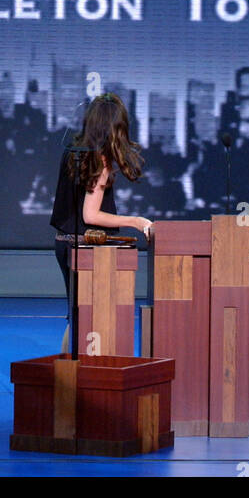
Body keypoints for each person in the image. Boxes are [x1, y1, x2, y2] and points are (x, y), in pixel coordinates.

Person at [50, 93, 153, 353]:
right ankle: (74, 377)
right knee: (85, 317)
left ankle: (67, 377)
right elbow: (91, 215)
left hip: (64, 244)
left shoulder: (72, 152)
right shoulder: (100, 159)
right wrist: (137, 221)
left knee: (77, 315)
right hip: (87, 249)